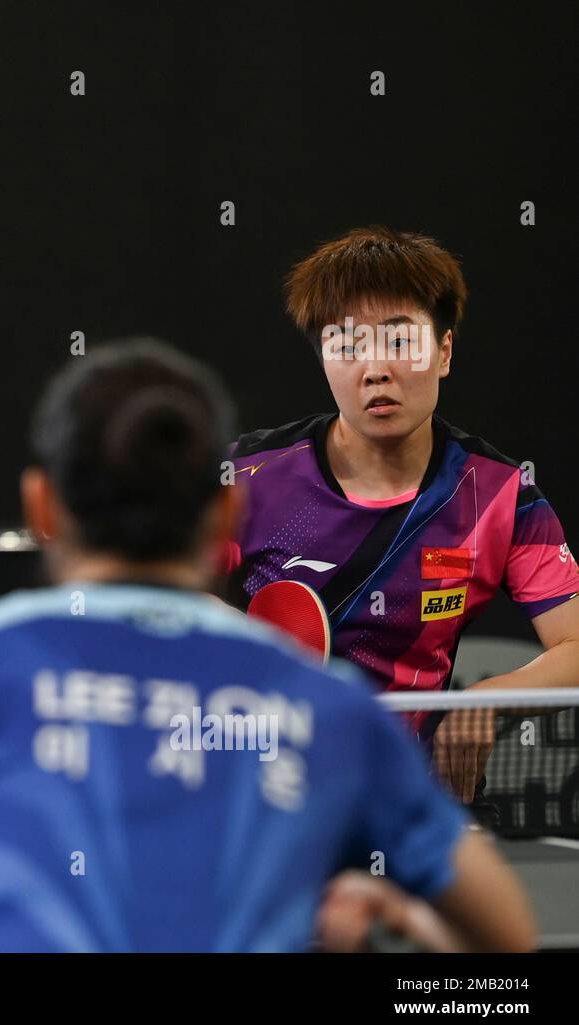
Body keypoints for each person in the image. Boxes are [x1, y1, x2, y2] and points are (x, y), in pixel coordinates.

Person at [0, 340, 533, 952]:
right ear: (224, 520)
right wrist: (417, 932)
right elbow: (504, 951)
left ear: (41, 509)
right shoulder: (329, 704)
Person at [224, 227, 579, 815]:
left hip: (416, 807)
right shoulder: (243, 478)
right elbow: (147, 593)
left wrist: (485, 702)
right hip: (264, 803)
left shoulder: (499, 494)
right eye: (346, 346)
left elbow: (575, 643)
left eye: (400, 341)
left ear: (444, 352)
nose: (375, 370)